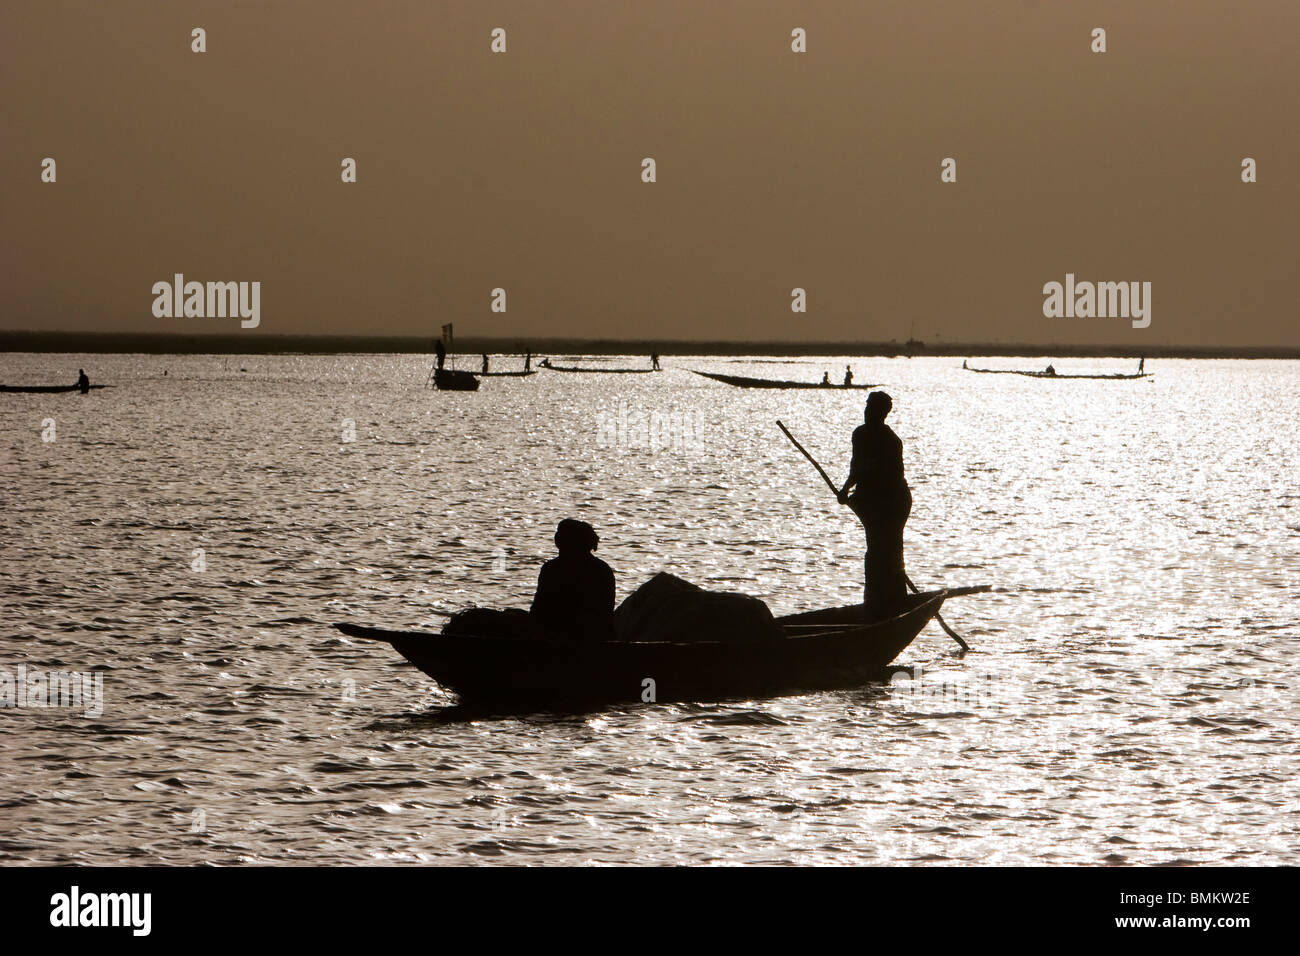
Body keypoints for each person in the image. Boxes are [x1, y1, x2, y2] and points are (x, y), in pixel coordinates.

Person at [836, 391, 912, 617]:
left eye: (872, 408)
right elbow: (856, 466)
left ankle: (892, 601)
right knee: (876, 551)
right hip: (872, 500)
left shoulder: (891, 441)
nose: (867, 411)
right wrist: (846, 489)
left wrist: (855, 492)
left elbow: (889, 475)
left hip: (893, 502)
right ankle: (876, 602)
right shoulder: (860, 434)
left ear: (882, 413)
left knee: (886, 550)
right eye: (867, 406)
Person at [531, 519, 616, 641]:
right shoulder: (602, 568)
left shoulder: (552, 569)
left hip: (563, 635)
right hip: (597, 634)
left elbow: (540, 609)